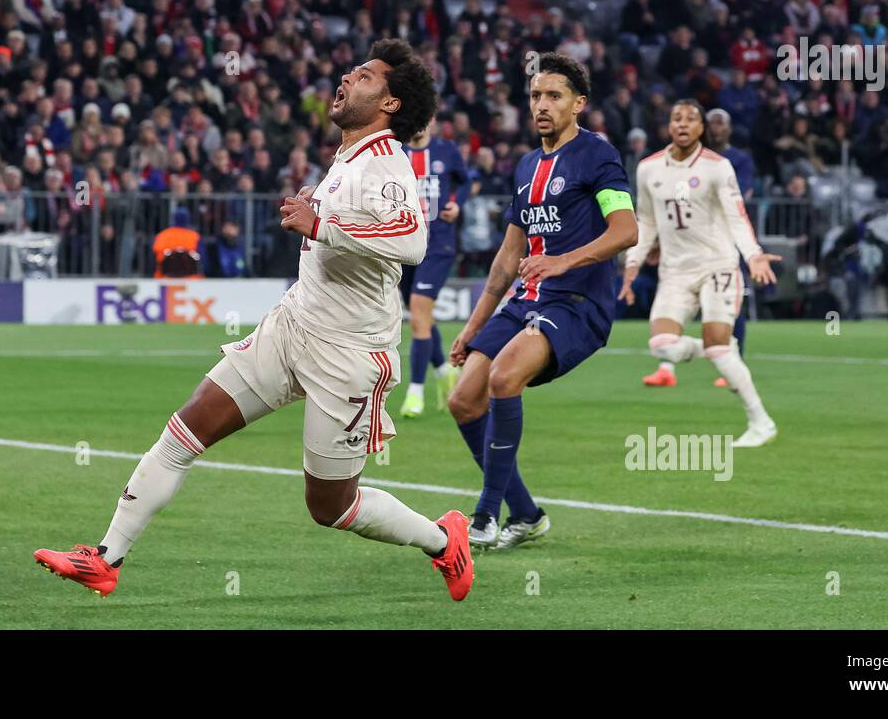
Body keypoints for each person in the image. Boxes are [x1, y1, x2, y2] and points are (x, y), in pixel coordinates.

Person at [34, 40, 475, 602]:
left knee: (330, 507)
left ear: (389, 103)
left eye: (364, 76)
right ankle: (105, 559)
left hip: (349, 355)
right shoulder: (347, 157)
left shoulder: (388, 164)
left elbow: (412, 241)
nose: (346, 77)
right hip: (292, 327)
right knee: (182, 433)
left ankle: (442, 540)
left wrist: (322, 226)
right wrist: (322, 216)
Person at [445, 52, 638, 549]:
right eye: (535, 96)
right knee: (463, 399)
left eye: (554, 96)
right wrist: (471, 327)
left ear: (579, 104)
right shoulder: (527, 166)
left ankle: (485, 517)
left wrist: (562, 261)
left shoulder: (597, 155)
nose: (542, 105)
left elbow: (626, 231)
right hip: (526, 301)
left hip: (576, 302)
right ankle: (527, 515)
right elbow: (508, 259)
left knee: (505, 377)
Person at [619, 100, 781, 447]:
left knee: (719, 348)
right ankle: (717, 346)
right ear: (668, 126)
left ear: (701, 129)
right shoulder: (649, 169)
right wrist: (632, 263)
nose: (683, 124)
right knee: (662, 346)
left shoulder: (717, 167)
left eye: (691, 119)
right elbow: (645, 221)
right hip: (674, 272)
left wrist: (752, 256)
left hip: (717, 267)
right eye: (676, 118)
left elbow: (737, 215)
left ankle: (760, 421)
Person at [642, 107, 754, 388]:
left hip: (721, 242)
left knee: (726, 308)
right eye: (712, 122)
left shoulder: (734, 160)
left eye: (720, 124)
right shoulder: (674, 159)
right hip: (683, 246)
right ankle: (666, 367)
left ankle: (729, 362)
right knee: (672, 303)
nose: (716, 128)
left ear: (727, 128)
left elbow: (743, 194)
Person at [397, 117, 471, 418]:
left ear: (432, 121)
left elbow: (465, 181)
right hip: (403, 247)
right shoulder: (396, 153)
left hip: (438, 245)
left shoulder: (447, 151)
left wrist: (456, 203)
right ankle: (444, 372)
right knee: (421, 317)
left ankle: (415, 393)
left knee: (418, 311)